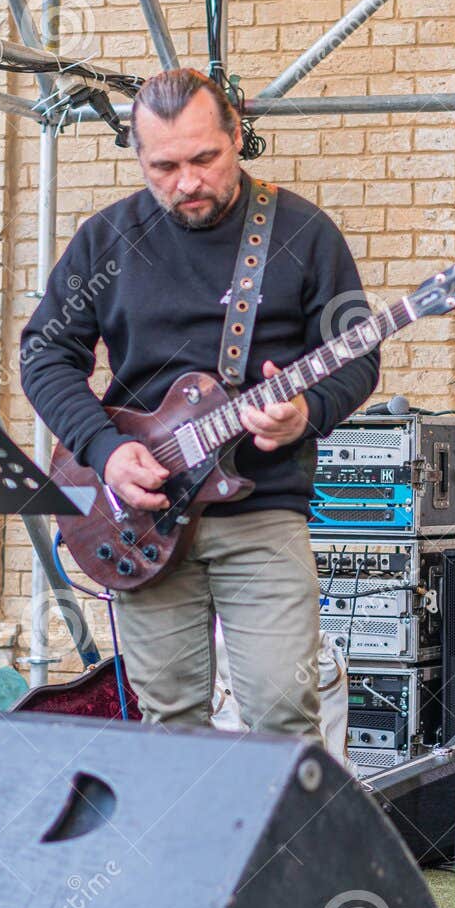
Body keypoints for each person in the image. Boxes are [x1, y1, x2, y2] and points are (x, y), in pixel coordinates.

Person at [20, 68, 378, 739]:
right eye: (165, 167)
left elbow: (355, 357)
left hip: (261, 511)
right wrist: (106, 451)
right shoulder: (106, 239)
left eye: (204, 158)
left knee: (281, 714)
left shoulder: (303, 232)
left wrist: (307, 414)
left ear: (237, 135)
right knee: (170, 724)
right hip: (140, 515)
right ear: (137, 156)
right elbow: (44, 355)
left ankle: (280, 817)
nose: (187, 182)